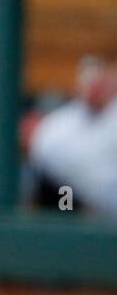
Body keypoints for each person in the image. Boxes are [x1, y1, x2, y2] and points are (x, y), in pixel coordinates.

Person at [28, 54, 117, 217]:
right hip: (72, 198)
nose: (96, 89)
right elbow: (44, 157)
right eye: (91, 83)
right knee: (62, 193)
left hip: (109, 201)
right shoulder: (60, 123)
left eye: (101, 82)